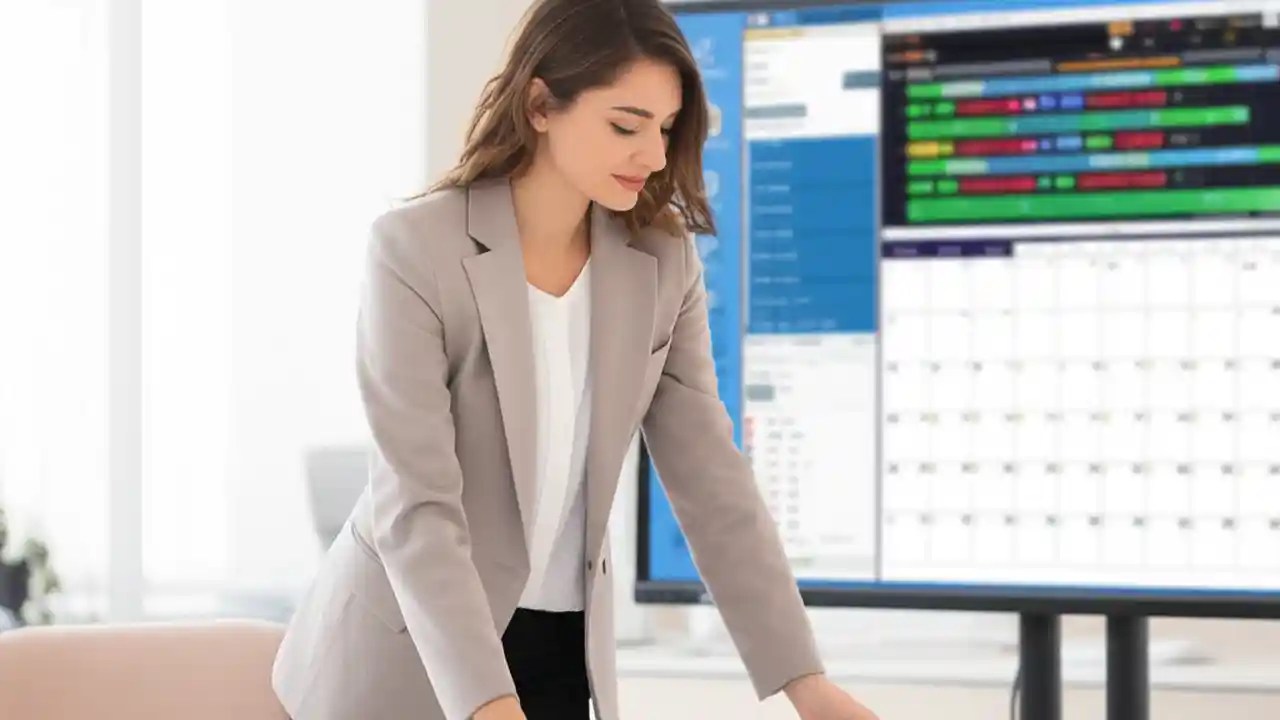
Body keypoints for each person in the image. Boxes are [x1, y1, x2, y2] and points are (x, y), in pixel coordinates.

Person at [271, 1, 881, 719]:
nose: (653, 155)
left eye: (665, 127)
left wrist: (805, 683)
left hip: (562, 645)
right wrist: (489, 704)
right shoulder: (416, 249)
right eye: (625, 125)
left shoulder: (661, 260)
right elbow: (418, 507)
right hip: (408, 649)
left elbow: (713, 481)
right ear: (540, 105)